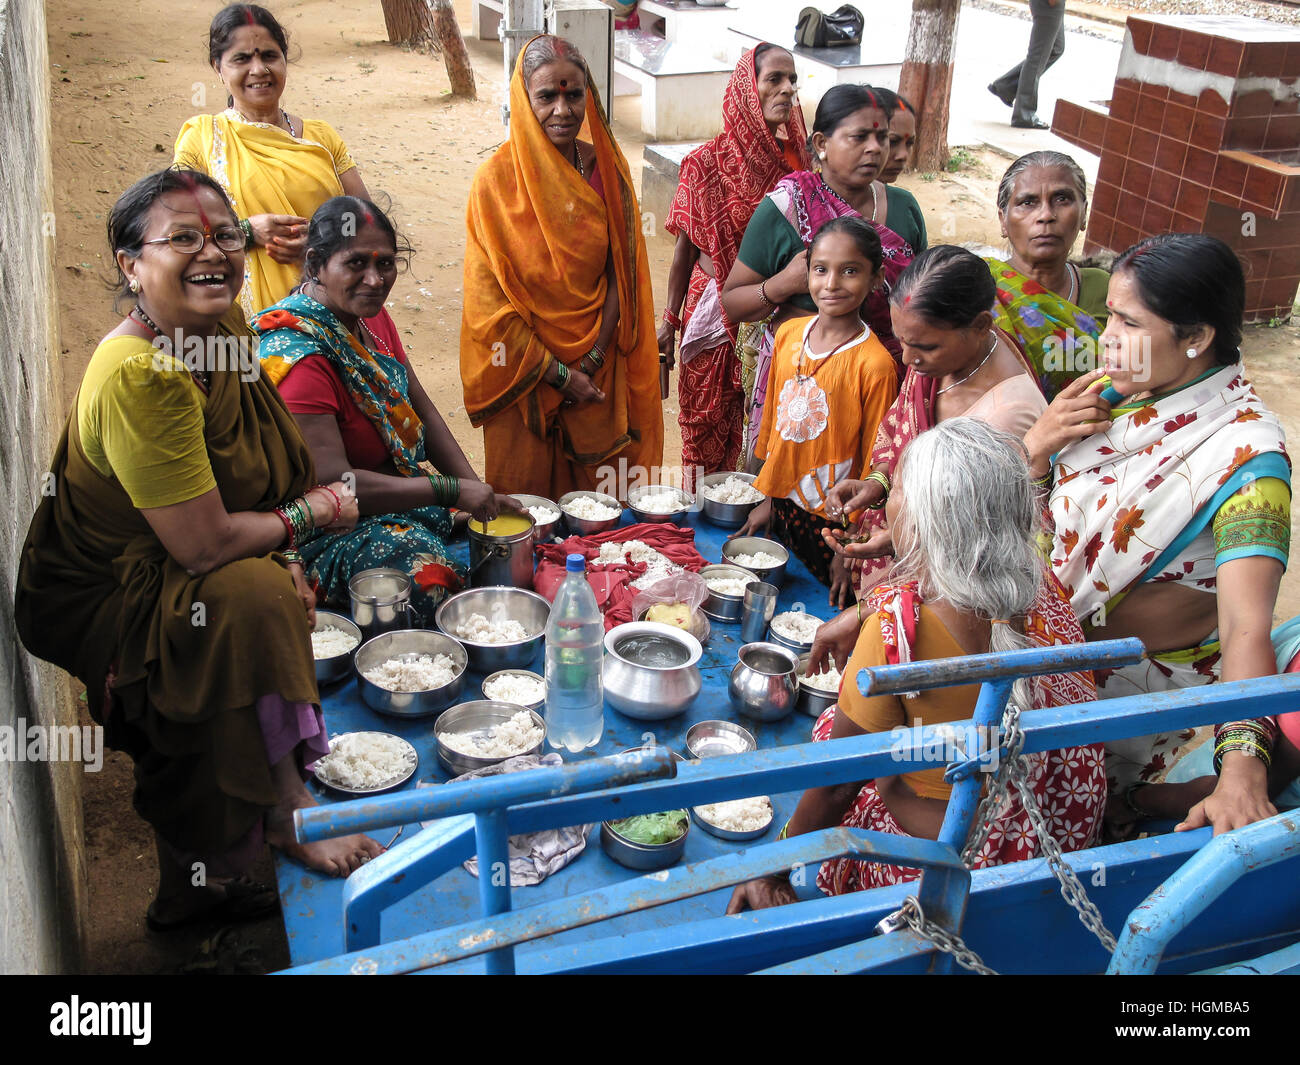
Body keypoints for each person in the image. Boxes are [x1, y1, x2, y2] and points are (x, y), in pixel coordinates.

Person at [13, 169, 383, 931]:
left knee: (264, 587)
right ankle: (283, 812)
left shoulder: (221, 330)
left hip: (186, 557)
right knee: (248, 603)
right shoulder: (140, 374)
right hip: (114, 595)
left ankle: (208, 888)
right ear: (130, 264)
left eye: (222, 234)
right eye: (181, 237)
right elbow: (209, 542)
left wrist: (282, 547)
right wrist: (312, 515)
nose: (210, 253)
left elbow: (246, 480)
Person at [728, 419, 1105, 909]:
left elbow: (839, 784)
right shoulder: (1044, 584)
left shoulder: (897, 634)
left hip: (942, 864)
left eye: (899, 489)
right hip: (1046, 837)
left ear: (929, 517)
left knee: (835, 743)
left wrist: (772, 864)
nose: (888, 502)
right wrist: (861, 609)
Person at [1024, 233, 1300, 836]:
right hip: (1041, 649)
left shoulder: (1249, 462)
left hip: (1128, 697)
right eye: (1109, 318)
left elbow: (1244, 627)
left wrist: (1242, 774)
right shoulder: (1113, 400)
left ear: (1196, 338)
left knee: (1070, 818)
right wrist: (1037, 448)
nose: (1107, 339)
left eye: (1129, 322)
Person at [254, 198, 519, 623]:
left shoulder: (369, 317)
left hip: (388, 494)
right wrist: (449, 491)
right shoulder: (300, 355)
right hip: (318, 526)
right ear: (316, 264)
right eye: (356, 263)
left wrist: (476, 490)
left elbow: (420, 408)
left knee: (474, 534)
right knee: (426, 579)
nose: (375, 280)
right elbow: (335, 485)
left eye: (386, 264)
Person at [460, 35, 664, 499]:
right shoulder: (495, 183)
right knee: (525, 515)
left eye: (574, 95)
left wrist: (591, 361)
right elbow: (489, 305)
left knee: (601, 517)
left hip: (600, 368)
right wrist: (558, 375)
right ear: (523, 100)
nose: (563, 109)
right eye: (547, 96)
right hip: (523, 377)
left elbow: (623, 275)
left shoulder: (607, 169)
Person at [819, 245, 1047, 603]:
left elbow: (981, 536)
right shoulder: (936, 363)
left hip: (950, 594)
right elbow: (897, 429)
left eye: (924, 346)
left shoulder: (1009, 415)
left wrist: (896, 542)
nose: (908, 358)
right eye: (902, 341)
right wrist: (877, 483)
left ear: (981, 326)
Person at [722, 84, 915, 467]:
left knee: (863, 487)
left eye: (882, 137)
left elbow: (919, 297)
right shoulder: (786, 207)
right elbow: (732, 302)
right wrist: (784, 283)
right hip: (801, 382)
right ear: (821, 143)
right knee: (783, 488)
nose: (876, 148)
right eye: (860, 137)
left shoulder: (904, 210)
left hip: (881, 381)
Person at [174, 4, 389, 335]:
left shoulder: (321, 137)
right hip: (239, 320)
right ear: (218, 67)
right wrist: (245, 232)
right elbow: (178, 235)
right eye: (242, 59)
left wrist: (318, 245)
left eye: (270, 56)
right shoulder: (202, 139)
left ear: (285, 60)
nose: (259, 69)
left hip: (330, 311)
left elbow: (369, 227)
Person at [660, 44, 809, 488]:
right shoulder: (705, 163)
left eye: (792, 81)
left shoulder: (799, 167)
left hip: (778, 311)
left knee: (766, 429)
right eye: (774, 79)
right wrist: (669, 321)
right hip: (710, 312)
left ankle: (749, 524)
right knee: (705, 427)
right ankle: (699, 524)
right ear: (749, 88)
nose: (786, 90)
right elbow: (685, 250)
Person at [734, 218, 898, 604]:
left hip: (835, 522)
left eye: (851, 271)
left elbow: (877, 461)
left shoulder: (874, 365)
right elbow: (775, 426)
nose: (832, 283)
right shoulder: (790, 335)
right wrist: (768, 499)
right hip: (785, 508)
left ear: (877, 278)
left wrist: (849, 544)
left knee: (821, 607)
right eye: (821, 270)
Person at [987, 151, 1108, 401]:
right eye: (1028, 202)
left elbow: (1139, 371)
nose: (1046, 216)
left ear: (1084, 213)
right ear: (1003, 219)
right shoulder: (979, 287)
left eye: (1062, 199)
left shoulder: (1108, 289)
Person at [987, 0, 1066, 129]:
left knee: (1055, 49)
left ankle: (1005, 87)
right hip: (1050, 4)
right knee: (1038, 56)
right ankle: (1024, 116)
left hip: (1051, 4)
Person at [872, 89, 927, 254]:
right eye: (892, 141)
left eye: (909, 143)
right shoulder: (805, 204)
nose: (903, 155)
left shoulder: (905, 206)